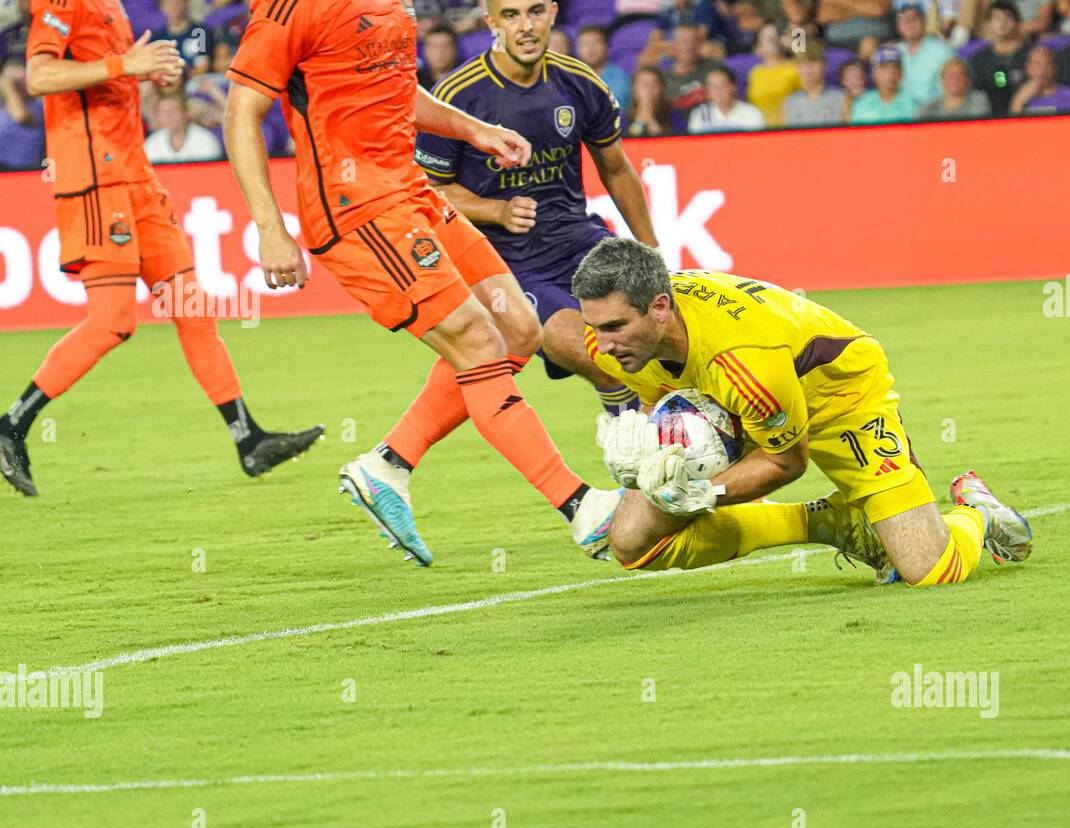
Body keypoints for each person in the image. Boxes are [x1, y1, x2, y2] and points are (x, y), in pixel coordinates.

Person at [224, 0, 622, 566]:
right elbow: (241, 113)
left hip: (413, 193)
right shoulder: (290, 10)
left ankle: (387, 466)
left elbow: (394, 92)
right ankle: (581, 508)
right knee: (478, 341)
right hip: (356, 207)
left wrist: (476, 130)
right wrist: (270, 228)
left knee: (516, 329)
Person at [2, 0, 322, 499]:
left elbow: (99, 80)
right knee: (113, 321)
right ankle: (10, 427)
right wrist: (124, 65)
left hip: (136, 179)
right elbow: (39, 76)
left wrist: (141, 74)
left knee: (194, 310)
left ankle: (248, 440)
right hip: (96, 180)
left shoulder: (112, 8)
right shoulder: (62, 4)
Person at [573, 239, 1033, 585]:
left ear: (659, 308)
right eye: (595, 325)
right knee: (633, 542)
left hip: (838, 395)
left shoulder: (744, 361)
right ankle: (830, 521)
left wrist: (703, 492)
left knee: (930, 570)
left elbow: (786, 462)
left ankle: (978, 512)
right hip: (732, 404)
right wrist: (647, 458)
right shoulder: (609, 344)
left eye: (615, 326)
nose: (604, 342)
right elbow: (658, 395)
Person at [415, 0, 659, 417]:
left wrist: (652, 254)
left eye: (535, 12)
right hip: (508, 264)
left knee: (659, 340)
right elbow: (428, 192)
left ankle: (661, 460)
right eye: (511, 15)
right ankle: (636, 452)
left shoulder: (580, 83)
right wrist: (496, 210)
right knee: (599, 354)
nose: (525, 26)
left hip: (582, 242)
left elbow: (616, 169)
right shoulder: (457, 95)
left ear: (553, 14)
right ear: (491, 22)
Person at [968, 0, 1034, 115]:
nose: (1002, 23)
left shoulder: (1032, 54)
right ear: (988, 24)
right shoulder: (979, 59)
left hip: (1027, 113)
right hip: (989, 117)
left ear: (1018, 22)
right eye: (997, 18)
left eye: (1007, 17)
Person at [896, 2, 955, 103]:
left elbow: (950, 89)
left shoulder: (942, 51)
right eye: (905, 19)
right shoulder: (894, 51)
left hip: (932, 112)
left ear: (924, 22)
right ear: (898, 25)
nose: (910, 23)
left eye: (915, 18)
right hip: (901, 111)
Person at [745, 23, 802, 124]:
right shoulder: (755, 72)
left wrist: (795, 43)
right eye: (769, 39)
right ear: (760, 46)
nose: (775, 41)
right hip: (760, 128)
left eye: (777, 37)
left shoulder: (795, 67)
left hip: (790, 126)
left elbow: (808, 58)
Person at [144, 91, 223, 163]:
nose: (169, 116)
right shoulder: (152, 143)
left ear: (185, 113)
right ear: (158, 117)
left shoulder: (205, 140)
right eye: (163, 112)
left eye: (173, 110)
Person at [781, 43, 847, 126]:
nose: (808, 67)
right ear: (798, 68)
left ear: (824, 65)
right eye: (803, 63)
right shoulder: (790, 102)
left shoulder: (840, 97)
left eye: (813, 61)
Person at [850, 45, 921, 122]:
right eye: (884, 67)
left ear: (901, 73)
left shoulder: (913, 104)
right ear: (874, 73)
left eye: (895, 67)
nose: (890, 73)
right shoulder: (862, 103)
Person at [688, 64, 767, 129]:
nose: (718, 90)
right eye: (713, 86)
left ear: (733, 87)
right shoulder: (699, 114)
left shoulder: (752, 113)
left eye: (722, 85)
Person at [576, 24, 632, 114]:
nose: (590, 48)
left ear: (607, 47)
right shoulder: (570, 77)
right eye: (584, 44)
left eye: (596, 43)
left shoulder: (620, 77)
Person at [1010, 43, 1070, 111]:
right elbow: (1013, 121)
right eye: (1037, 64)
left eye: (1048, 64)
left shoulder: (1068, 95)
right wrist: (1019, 101)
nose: (1043, 70)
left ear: (1055, 68)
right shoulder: (1021, 94)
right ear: (1028, 68)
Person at [917, 56, 993, 116]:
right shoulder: (930, 107)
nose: (955, 80)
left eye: (960, 75)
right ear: (942, 80)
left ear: (968, 79)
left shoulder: (979, 100)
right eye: (950, 76)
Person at [626, 65, 673, 135]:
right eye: (643, 84)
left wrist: (651, 119)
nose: (648, 88)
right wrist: (641, 117)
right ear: (634, 89)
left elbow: (672, 142)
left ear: (661, 88)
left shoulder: (675, 116)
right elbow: (628, 140)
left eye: (654, 83)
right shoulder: (622, 119)